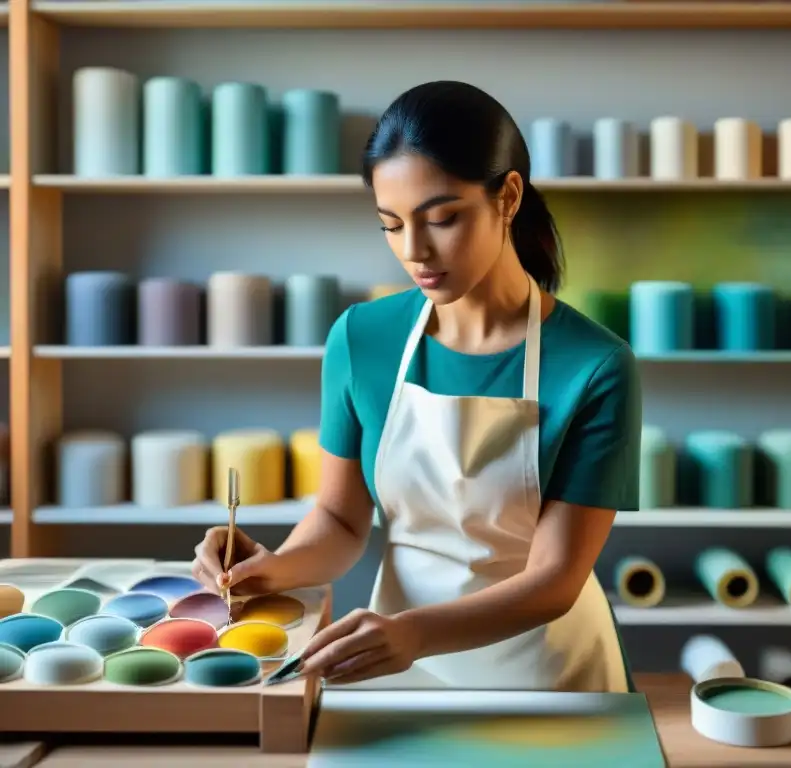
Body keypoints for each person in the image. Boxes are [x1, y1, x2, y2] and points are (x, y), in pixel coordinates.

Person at [191, 81, 642, 693]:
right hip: (403, 667)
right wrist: (268, 571)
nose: (414, 251)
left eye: (443, 219)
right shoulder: (361, 338)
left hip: (548, 675)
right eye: (392, 224)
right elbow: (340, 520)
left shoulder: (595, 365)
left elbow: (555, 579)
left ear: (508, 197)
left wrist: (414, 633)